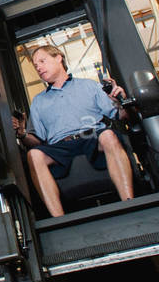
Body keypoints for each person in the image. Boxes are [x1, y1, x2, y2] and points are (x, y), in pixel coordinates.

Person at [12, 43, 134, 216]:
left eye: (42, 61)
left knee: (108, 135)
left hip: (92, 136)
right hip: (60, 146)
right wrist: (22, 133)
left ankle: (130, 203)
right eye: (35, 65)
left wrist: (120, 100)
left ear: (58, 58)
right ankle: (58, 219)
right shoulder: (39, 101)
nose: (38, 67)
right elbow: (37, 140)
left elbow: (121, 116)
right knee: (34, 155)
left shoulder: (89, 86)